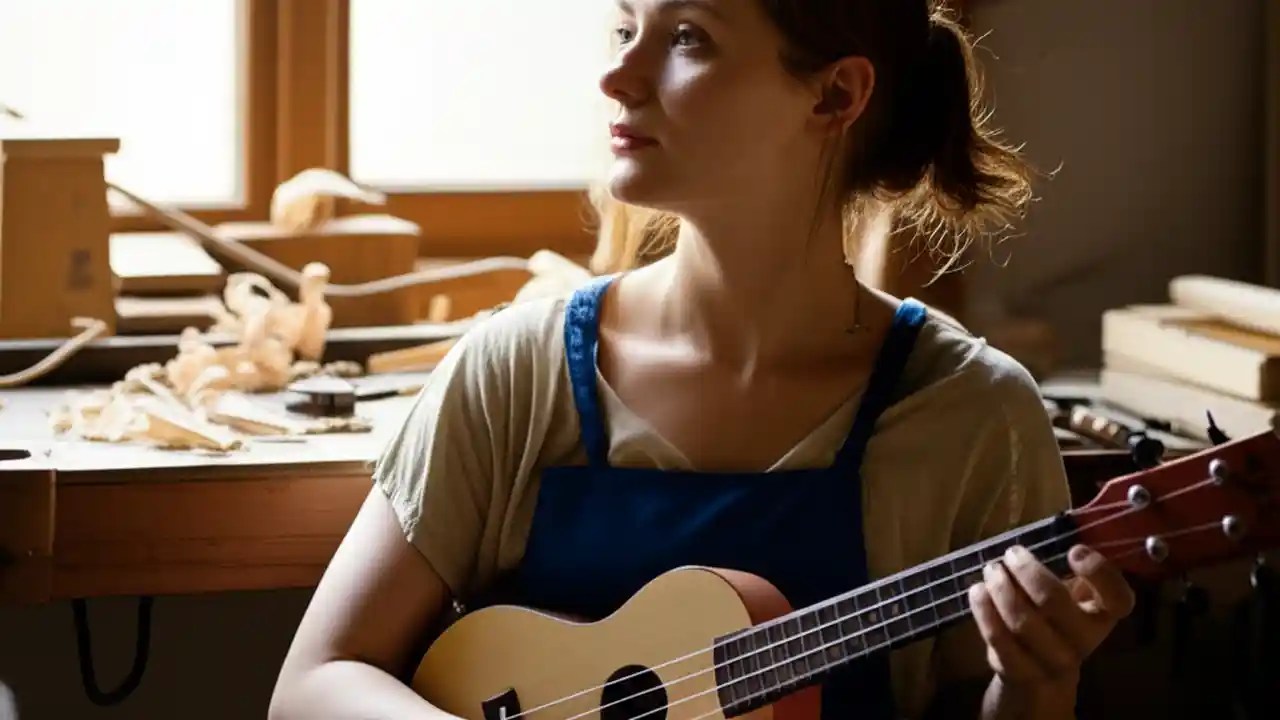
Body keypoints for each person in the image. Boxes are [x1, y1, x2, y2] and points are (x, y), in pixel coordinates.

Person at [269, 0, 1136, 718]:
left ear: (835, 94)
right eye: (625, 27)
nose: (617, 77)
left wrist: (1037, 681)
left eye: (687, 36)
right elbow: (312, 686)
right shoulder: (515, 374)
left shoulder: (974, 415)